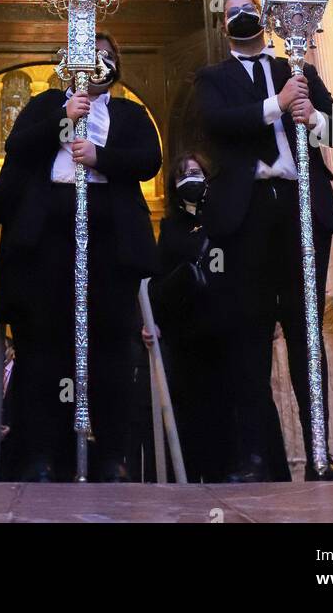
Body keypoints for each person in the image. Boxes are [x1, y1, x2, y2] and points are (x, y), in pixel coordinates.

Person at [194, 0, 333, 482]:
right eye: (233, 11)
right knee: (251, 334)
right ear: (225, 25)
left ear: (265, 19)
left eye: (249, 10)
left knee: (307, 330)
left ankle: (320, 454)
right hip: (247, 215)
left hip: (301, 208)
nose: (242, 17)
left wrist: (314, 119)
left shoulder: (297, 69)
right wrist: (275, 105)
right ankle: (257, 457)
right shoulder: (213, 78)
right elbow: (216, 125)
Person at [0, 31, 160, 481]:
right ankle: (42, 454)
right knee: (43, 346)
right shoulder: (46, 105)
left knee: (110, 349)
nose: (96, 64)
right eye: (88, 56)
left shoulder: (129, 113)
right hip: (48, 232)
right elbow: (19, 148)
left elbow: (148, 160)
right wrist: (64, 121)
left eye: (106, 57)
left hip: (110, 236)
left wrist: (100, 156)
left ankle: (110, 456)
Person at [149, 153, 235, 481]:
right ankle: (192, 477)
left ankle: (226, 473)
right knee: (189, 404)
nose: (191, 178)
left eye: (197, 172)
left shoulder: (222, 218)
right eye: (183, 174)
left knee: (223, 401)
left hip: (220, 325)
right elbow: (158, 279)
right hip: (183, 330)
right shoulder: (170, 227)